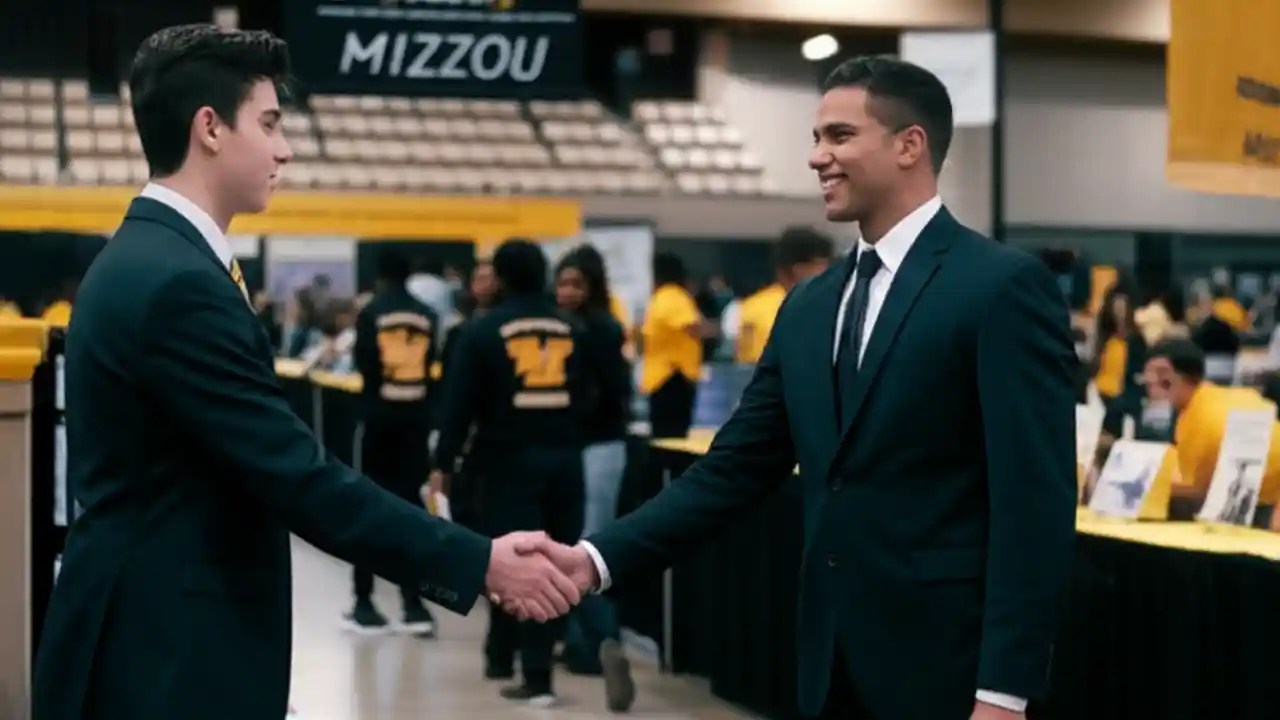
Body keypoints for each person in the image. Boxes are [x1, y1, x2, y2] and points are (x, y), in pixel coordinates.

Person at [32, 25, 578, 720]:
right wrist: (479, 561)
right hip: (166, 655)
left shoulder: (156, 260)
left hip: (161, 635)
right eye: (268, 123)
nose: (284, 147)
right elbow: (298, 475)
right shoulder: (175, 282)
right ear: (210, 128)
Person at [525, 55, 1076, 720]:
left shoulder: (1000, 287)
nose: (818, 157)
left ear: (910, 146)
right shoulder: (811, 305)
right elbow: (733, 468)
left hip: (950, 672)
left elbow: (1034, 505)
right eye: (815, 138)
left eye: (840, 136)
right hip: (829, 663)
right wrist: (593, 559)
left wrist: (1004, 690)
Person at [431, 239, 593, 707]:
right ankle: (513, 657)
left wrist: (444, 462)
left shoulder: (482, 332)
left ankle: (527, 670)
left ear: (498, 277)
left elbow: (457, 406)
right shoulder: (574, 329)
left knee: (512, 560)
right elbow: (595, 396)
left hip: (504, 462)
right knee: (556, 559)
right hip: (564, 461)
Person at [553, 246, 637, 711]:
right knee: (572, 543)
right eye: (562, 283)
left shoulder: (601, 329)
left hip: (598, 447)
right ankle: (588, 645)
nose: (567, 292)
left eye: (576, 284)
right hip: (573, 448)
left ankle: (603, 637)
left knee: (587, 548)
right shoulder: (559, 328)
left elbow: (615, 393)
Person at [345, 250, 441, 636]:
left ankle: (364, 601)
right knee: (411, 511)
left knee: (368, 508)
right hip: (415, 423)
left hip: (378, 421)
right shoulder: (428, 316)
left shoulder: (371, 313)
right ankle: (413, 604)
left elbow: (364, 363)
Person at [1141, 338, 1280, 529]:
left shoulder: (1198, 417)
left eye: (1162, 377)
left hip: (1262, 505)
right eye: (1148, 377)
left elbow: (1196, 489)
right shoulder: (1233, 395)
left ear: (1187, 377)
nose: (1151, 383)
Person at [737, 226, 835, 364]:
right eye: (822, 265)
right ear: (799, 268)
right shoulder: (798, 308)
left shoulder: (752, 304)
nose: (830, 274)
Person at [641, 253, 708, 439]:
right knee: (674, 440)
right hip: (673, 377)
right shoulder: (674, 296)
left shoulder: (660, 298)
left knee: (661, 438)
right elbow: (692, 325)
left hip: (661, 377)